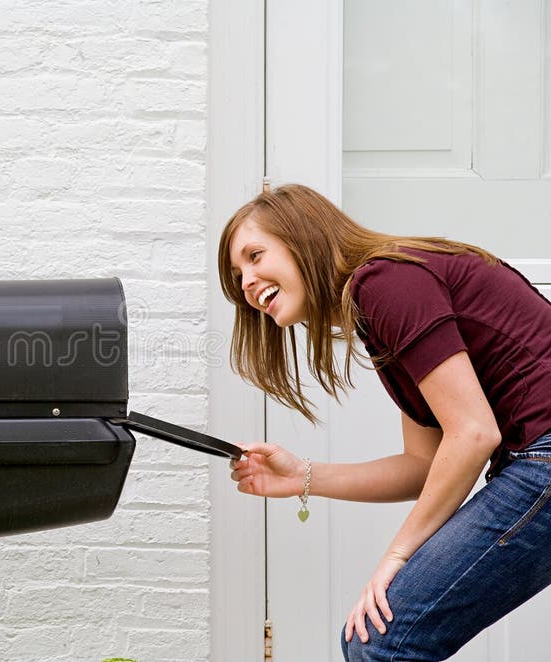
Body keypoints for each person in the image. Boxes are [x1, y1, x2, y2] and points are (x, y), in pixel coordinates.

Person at [219, 184, 551, 661]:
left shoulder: (385, 281)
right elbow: (422, 464)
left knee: (381, 641)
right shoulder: (381, 297)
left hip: (542, 456)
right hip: (535, 459)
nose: (247, 282)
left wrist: (396, 557)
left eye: (255, 255)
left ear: (303, 237)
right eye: (238, 274)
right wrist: (302, 476)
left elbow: (475, 433)